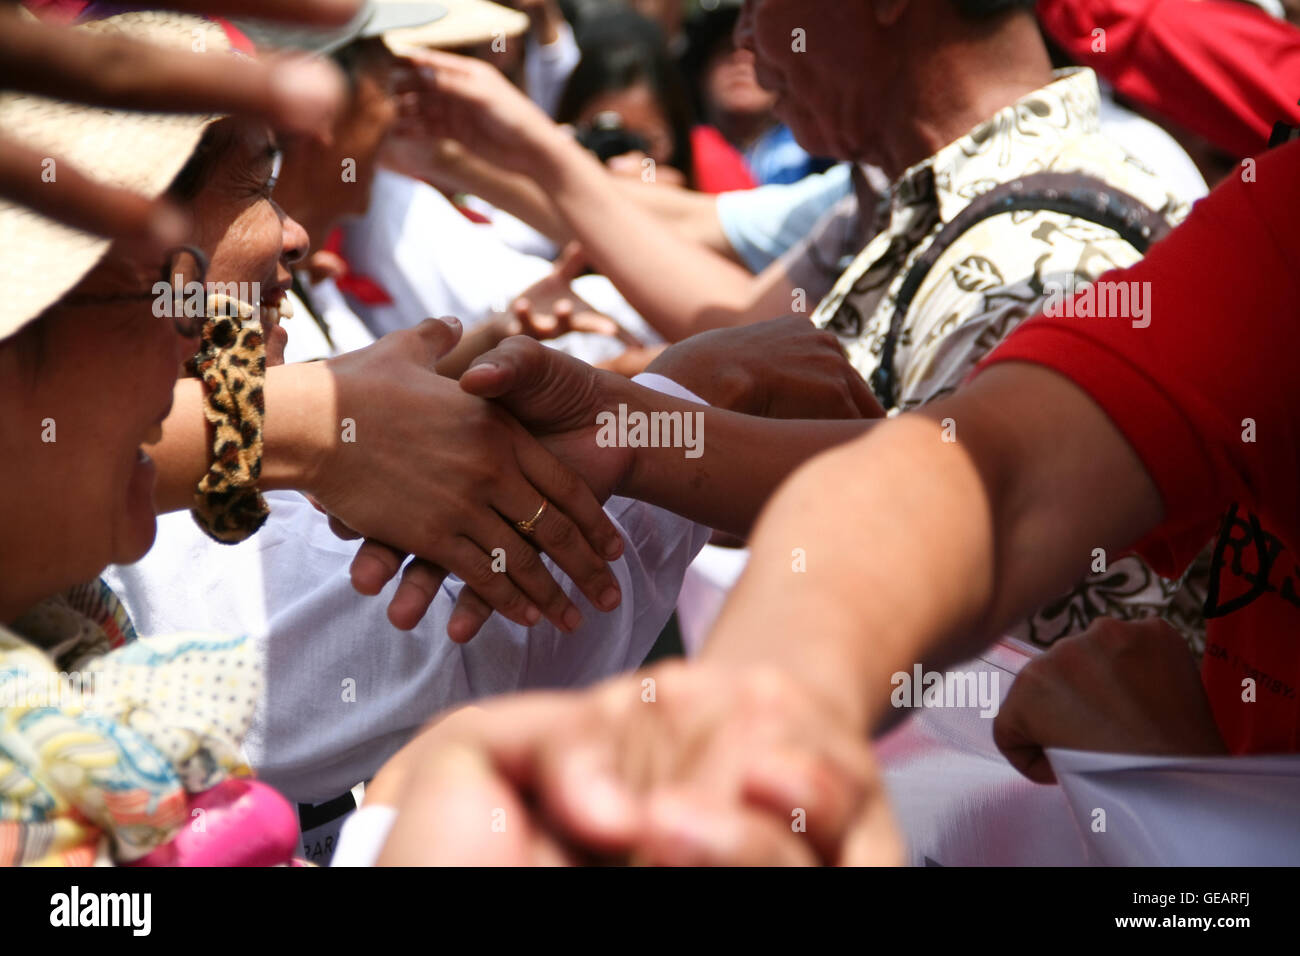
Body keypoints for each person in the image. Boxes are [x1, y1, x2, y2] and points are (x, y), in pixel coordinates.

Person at [348, 129, 1300, 869]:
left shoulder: (1058, 235)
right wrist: (755, 721)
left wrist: (1188, 813)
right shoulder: (1277, 236)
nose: (756, 39)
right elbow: (981, 474)